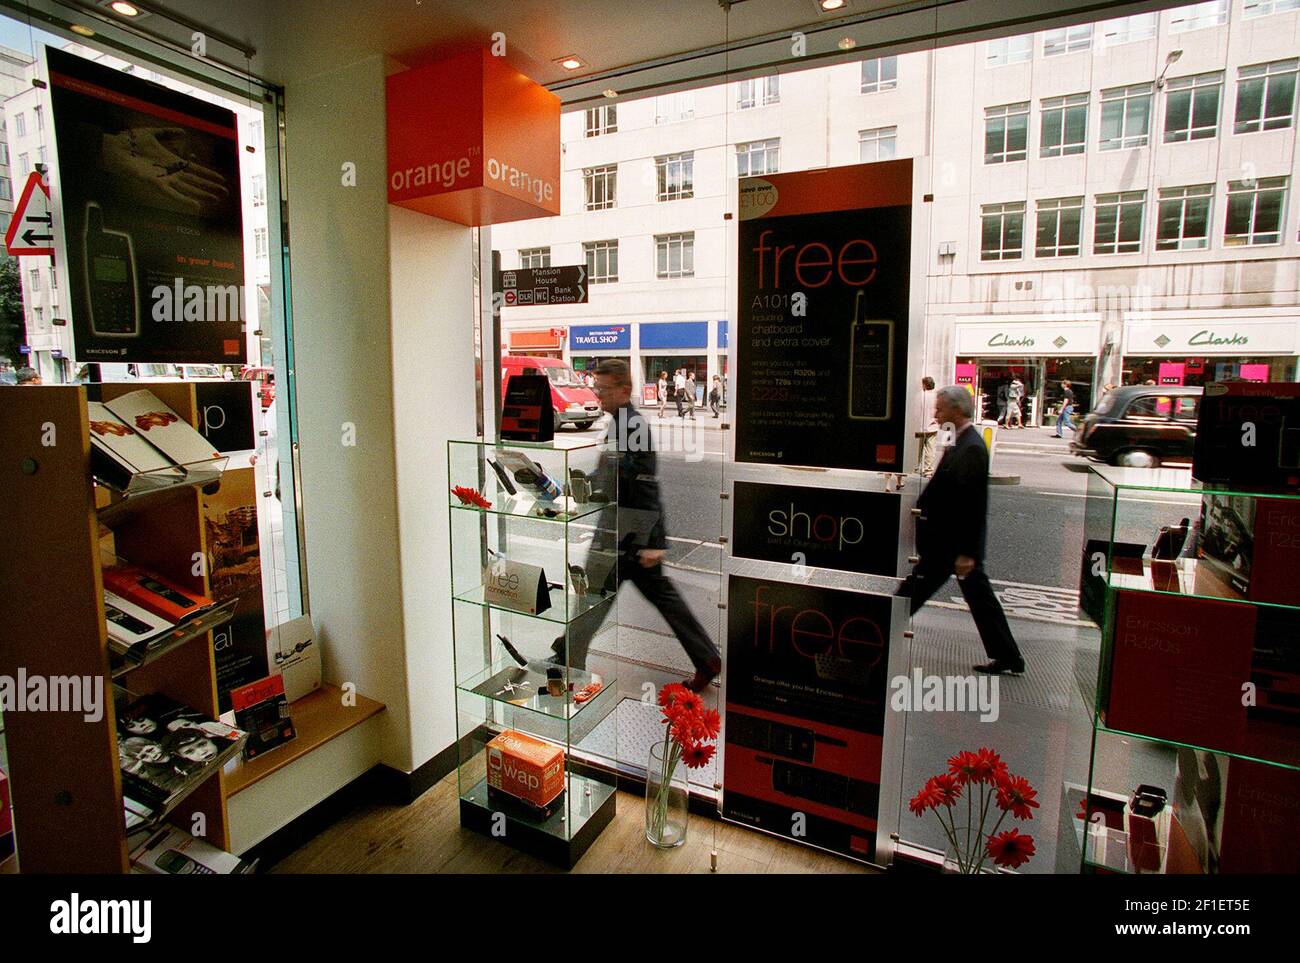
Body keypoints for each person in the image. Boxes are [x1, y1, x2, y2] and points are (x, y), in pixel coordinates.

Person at [552, 359, 722, 691]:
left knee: (594, 596)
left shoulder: (630, 425)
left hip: (625, 535)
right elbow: (614, 477)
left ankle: (568, 656)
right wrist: (575, 487)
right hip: (624, 531)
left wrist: (653, 541)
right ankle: (706, 659)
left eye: (603, 389)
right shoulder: (621, 422)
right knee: (611, 596)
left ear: (624, 389)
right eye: (596, 389)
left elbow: (644, 481)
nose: (598, 395)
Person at [897, 385, 1025, 676]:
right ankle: (1008, 656)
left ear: (956, 409)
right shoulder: (960, 440)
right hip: (947, 543)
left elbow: (974, 506)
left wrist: (969, 552)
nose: (935, 412)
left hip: (951, 545)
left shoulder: (972, 448)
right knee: (978, 598)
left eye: (940, 408)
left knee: (910, 593)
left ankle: (874, 636)